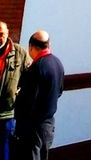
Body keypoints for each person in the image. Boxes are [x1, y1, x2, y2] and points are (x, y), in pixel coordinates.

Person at [13, 32, 64, 160]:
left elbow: (29, 102)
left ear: (31, 46)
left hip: (32, 128)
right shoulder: (57, 63)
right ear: (49, 45)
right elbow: (59, 91)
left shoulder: (37, 68)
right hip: (48, 126)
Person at [0, 22, 30, 160]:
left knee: (4, 149)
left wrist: (22, 91)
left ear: (8, 33)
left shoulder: (19, 52)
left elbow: (31, 76)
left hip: (7, 113)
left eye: (1, 34)